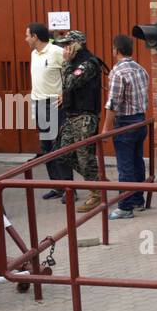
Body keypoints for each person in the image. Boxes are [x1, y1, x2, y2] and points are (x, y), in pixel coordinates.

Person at [54, 31, 104, 212]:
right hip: (71, 115)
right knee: (61, 153)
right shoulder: (75, 63)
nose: (64, 49)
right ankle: (98, 181)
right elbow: (69, 87)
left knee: (85, 157)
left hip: (85, 117)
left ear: (78, 44)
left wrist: (66, 63)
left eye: (68, 44)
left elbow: (69, 83)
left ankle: (97, 193)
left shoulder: (87, 64)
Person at [102, 34, 150, 220]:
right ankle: (138, 199)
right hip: (141, 120)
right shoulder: (140, 69)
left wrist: (106, 128)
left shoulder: (118, 72)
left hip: (125, 123)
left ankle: (125, 206)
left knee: (125, 165)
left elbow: (113, 103)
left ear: (116, 50)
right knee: (137, 161)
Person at [27, 22, 71, 200]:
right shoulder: (34, 54)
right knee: (46, 147)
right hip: (39, 104)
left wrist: (65, 93)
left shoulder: (57, 52)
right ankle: (57, 185)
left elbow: (70, 72)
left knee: (58, 147)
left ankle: (69, 188)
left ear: (35, 36)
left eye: (27, 35)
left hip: (54, 105)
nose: (26, 39)